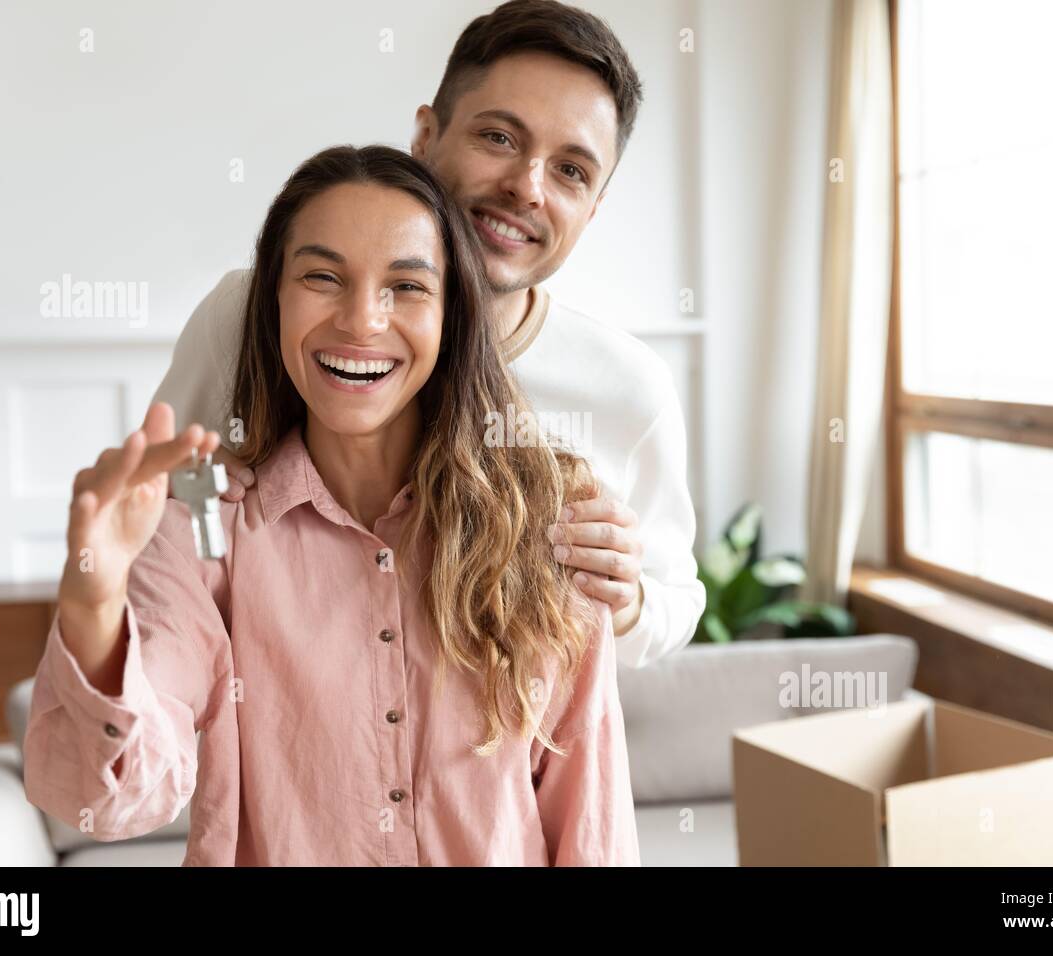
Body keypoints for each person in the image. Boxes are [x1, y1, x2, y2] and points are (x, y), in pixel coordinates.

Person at [23, 146, 640, 866]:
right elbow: (112, 798)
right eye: (322, 277)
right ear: (275, 300)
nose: (361, 321)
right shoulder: (205, 524)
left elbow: (589, 819)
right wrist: (95, 600)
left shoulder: (549, 518)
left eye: (406, 286)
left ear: (451, 315)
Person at [152, 0, 704, 669]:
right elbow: (161, 508)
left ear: (593, 208)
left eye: (571, 171)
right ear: (425, 136)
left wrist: (632, 601)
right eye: (499, 137)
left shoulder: (629, 391)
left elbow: (676, 603)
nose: (527, 188)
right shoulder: (253, 313)